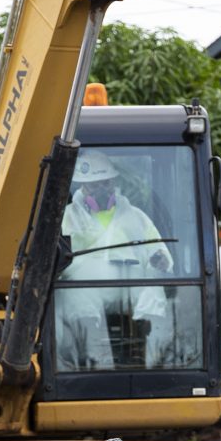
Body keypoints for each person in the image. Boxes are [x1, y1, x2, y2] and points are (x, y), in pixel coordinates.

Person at [56, 149, 174, 371]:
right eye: (95, 185)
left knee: (149, 307)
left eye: (105, 183)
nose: (101, 190)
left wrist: (159, 261)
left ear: (113, 182)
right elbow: (57, 262)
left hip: (129, 298)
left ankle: (147, 366)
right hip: (85, 300)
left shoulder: (135, 217)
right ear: (82, 187)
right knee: (90, 345)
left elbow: (158, 251)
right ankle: (91, 368)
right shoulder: (67, 219)